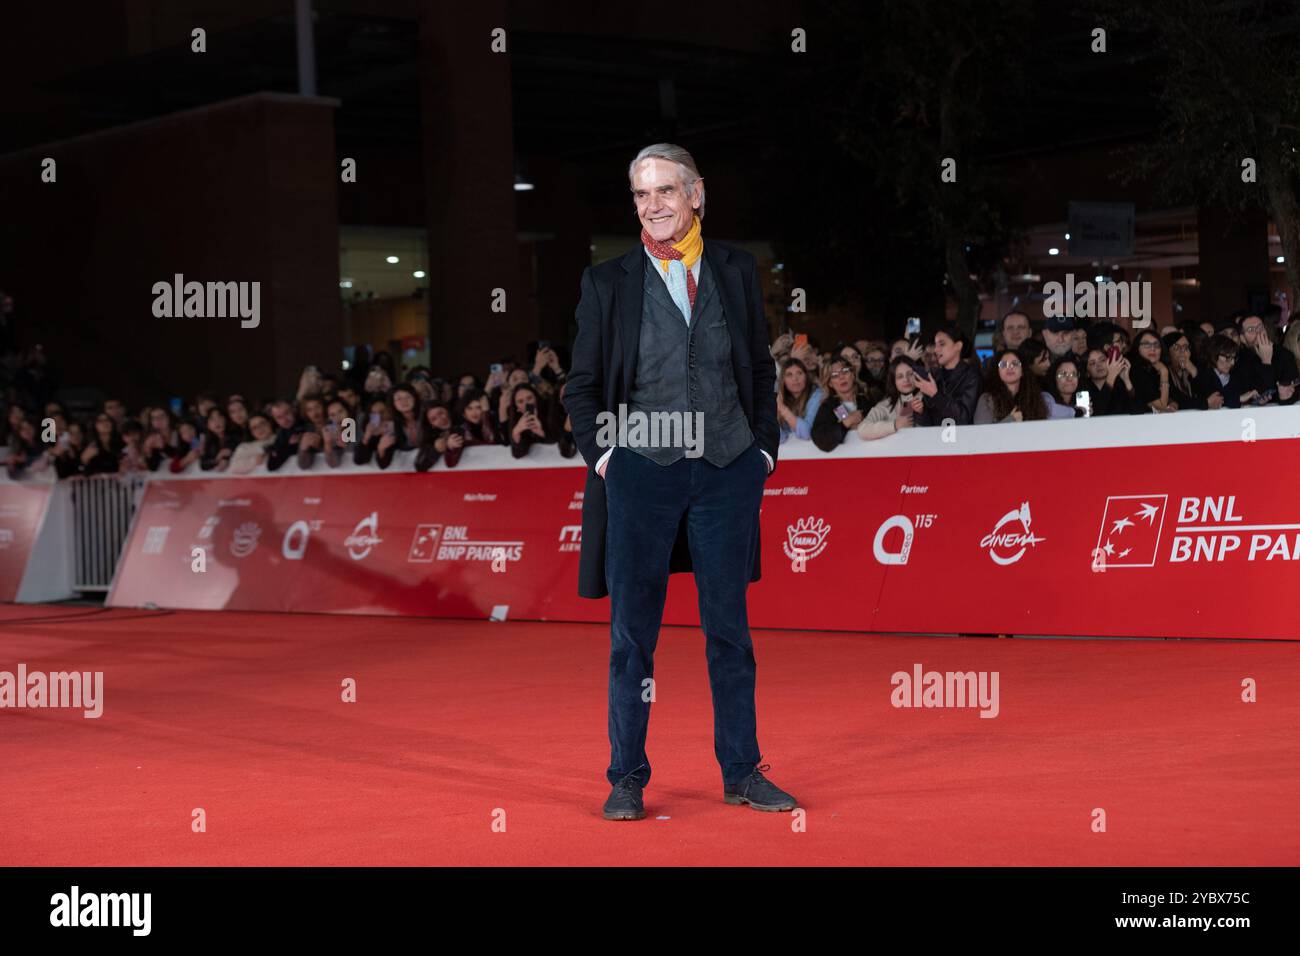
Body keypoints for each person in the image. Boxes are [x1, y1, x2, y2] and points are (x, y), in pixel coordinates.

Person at [562, 142, 793, 822]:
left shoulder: (735, 270)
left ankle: (742, 771)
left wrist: (763, 454)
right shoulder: (607, 283)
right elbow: (581, 388)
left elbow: (757, 368)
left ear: (696, 194)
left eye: (665, 191)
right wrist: (609, 461)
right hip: (642, 471)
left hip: (727, 470)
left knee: (730, 632)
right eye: (640, 194)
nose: (652, 205)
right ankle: (627, 778)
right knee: (633, 635)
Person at [974, 349, 1073, 423]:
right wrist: (1010, 420)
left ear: (1023, 371)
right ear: (997, 372)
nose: (1009, 368)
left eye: (1015, 363)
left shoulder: (1035, 398)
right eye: (1003, 364)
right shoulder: (987, 400)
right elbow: (982, 436)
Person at [916, 323, 980, 426]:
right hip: (936, 439)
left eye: (942, 344)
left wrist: (936, 395)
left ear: (958, 346)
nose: (936, 350)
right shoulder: (933, 376)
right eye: (935, 345)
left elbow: (963, 417)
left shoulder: (971, 376)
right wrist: (920, 411)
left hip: (964, 439)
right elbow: (928, 423)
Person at [811, 356, 877, 451]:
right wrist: (846, 423)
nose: (841, 377)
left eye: (845, 371)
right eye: (834, 375)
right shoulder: (828, 406)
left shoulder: (867, 398)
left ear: (853, 374)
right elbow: (820, 438)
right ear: (830, 383)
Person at [858, 357, 922, 439]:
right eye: (900, 376)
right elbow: (862, 429)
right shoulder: (887, 404)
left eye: (910, 374)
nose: (906, 379)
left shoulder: (928, 397)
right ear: (893, 381)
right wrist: (894, 425)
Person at [1128, 330, 1177, 413]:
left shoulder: (1155, 369)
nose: (1152, 348)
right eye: (1146, 345)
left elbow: (1174, 399)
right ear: (1137, 348)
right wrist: (1164, 373)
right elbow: (1161, 405)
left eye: (1156, 345)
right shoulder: (1135, 370)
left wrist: (1172, 403)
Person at [776, 357, 823, 442]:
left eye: (799, 373)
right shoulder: (782, 398)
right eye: (789, 375)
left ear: (806, 376)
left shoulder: (817, 395)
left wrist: (782, 408)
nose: (795, 379)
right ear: (783, 381)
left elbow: (807, 433)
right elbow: (780, 438)